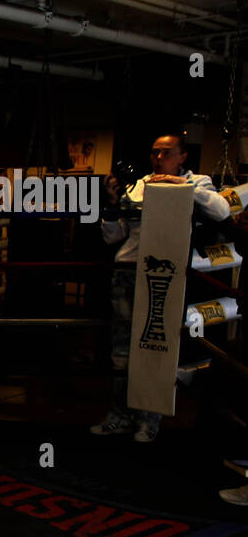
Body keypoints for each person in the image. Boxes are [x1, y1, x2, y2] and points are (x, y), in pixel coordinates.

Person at [96, 134, 229, 443]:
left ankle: (148, 420)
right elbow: (114, 236)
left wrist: (179, 186)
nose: (158, 158)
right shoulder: (140, 184)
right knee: (120, 351)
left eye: (166, 152)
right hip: (129, 271)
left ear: (182, 157)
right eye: (154, 152)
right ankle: (119, 415)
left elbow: (222, 211)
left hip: (164, 277)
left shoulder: (198, 182)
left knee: (156, 348)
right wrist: (114, 204)